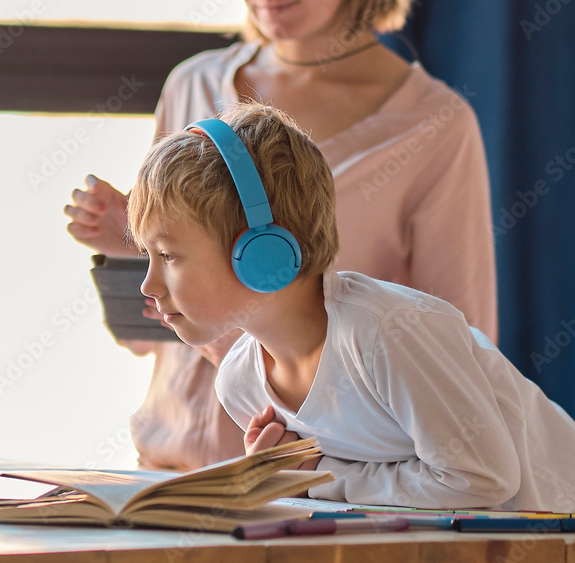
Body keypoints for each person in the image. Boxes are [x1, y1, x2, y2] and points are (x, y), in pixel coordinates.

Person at [126, 102, 575, 526]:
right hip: (513, 538)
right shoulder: (239, 384)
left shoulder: (385, 333)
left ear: (264, 254)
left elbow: (481, 481)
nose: (149, 284)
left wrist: (318, 476)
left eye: (169, 256)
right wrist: (286, 476)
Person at [65, 0, 498, 471]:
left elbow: (461, 363)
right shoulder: (191, 85)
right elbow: (148, 335)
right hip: (163, 473)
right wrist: (131, 246)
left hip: (308, 491)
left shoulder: (436, 126)